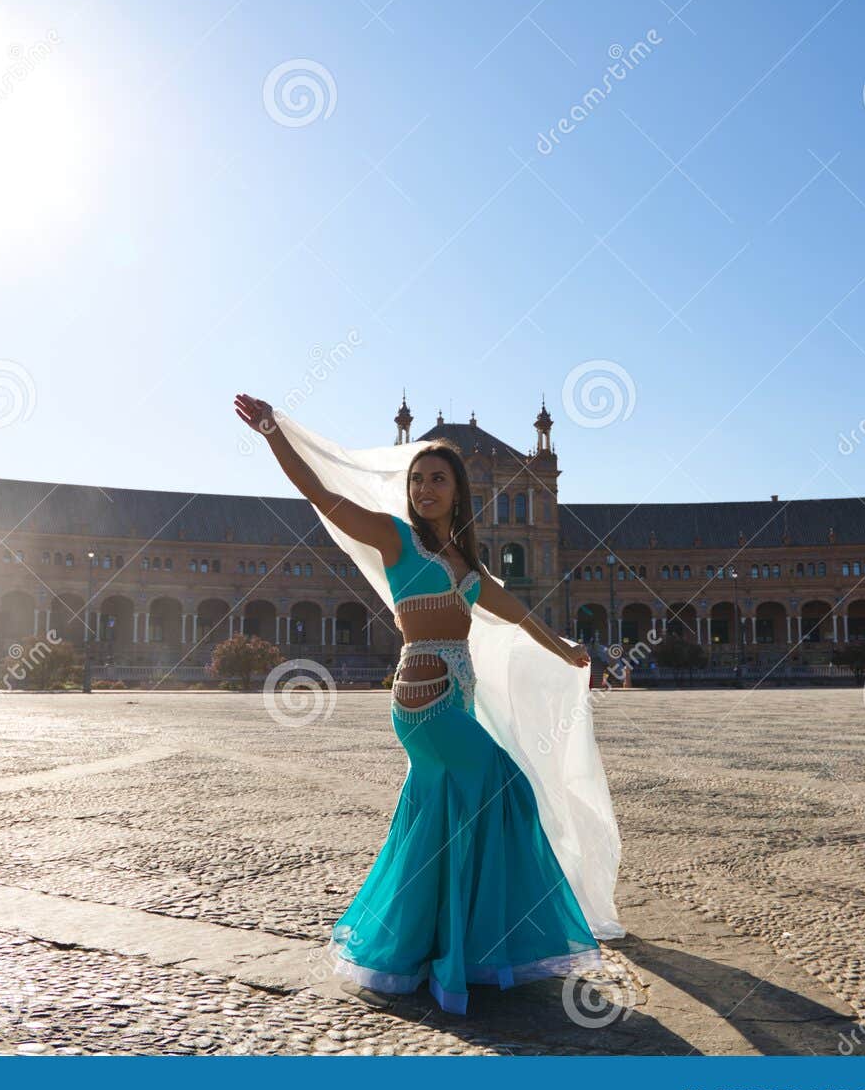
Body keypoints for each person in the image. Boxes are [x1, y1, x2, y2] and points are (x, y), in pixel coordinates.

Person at [233, 393, 621, 1015]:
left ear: (457, 491)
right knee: (504, 786)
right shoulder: (393, 539)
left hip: (454, 702)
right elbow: (320, 496)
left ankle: (441, 945)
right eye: (417, 479)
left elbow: (519, 614)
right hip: (426, 700)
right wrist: (275, 430)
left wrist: (566, 651)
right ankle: (470, 941)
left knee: (445, 813)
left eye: (436, 479)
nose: (424, 488)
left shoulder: (465, 564)